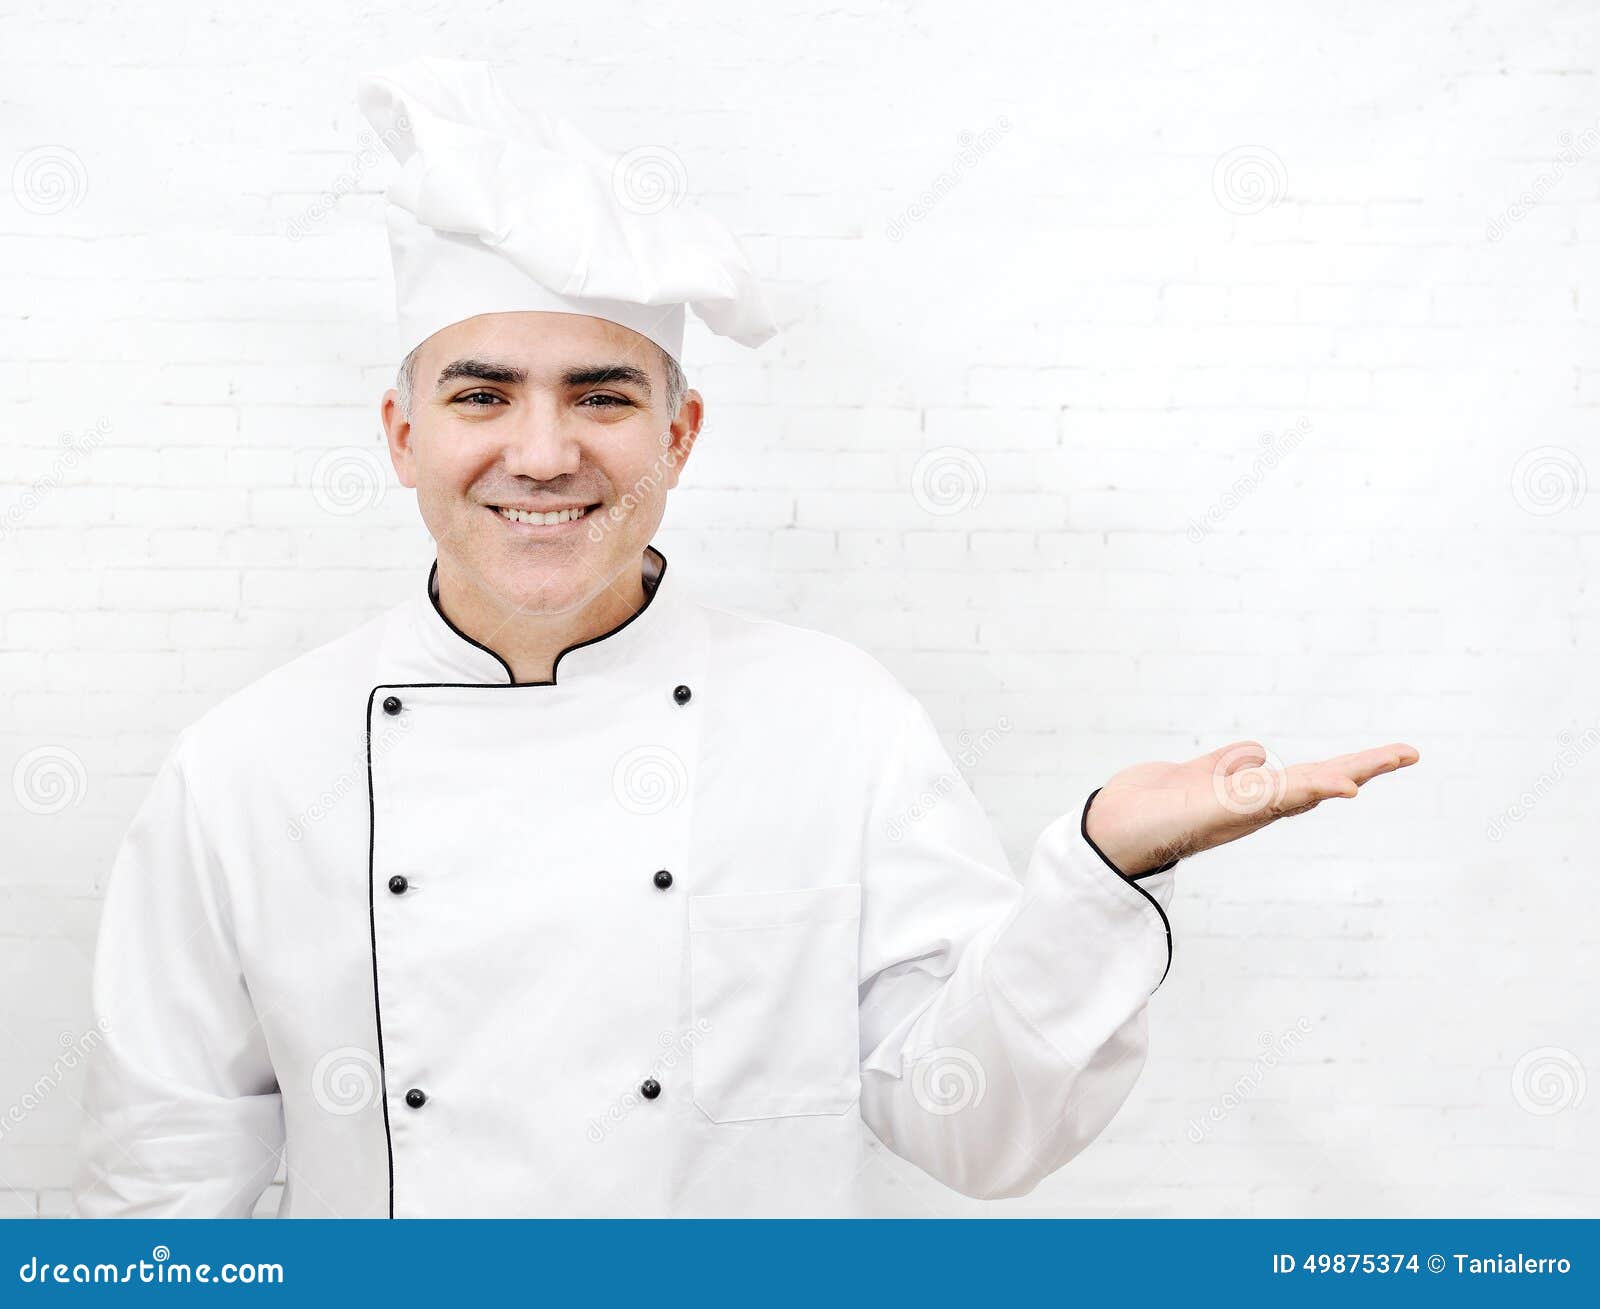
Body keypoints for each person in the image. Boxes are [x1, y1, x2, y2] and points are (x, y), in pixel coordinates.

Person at [71, 57, 1418, 1218]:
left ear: (680, 434)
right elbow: (162, 1190)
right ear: (403, 433)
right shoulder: (241, 769)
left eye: (600, 396)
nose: (542, 453)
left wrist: (1098, 871)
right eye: (484, 394)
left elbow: (971, 1121)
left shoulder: (835, 721)